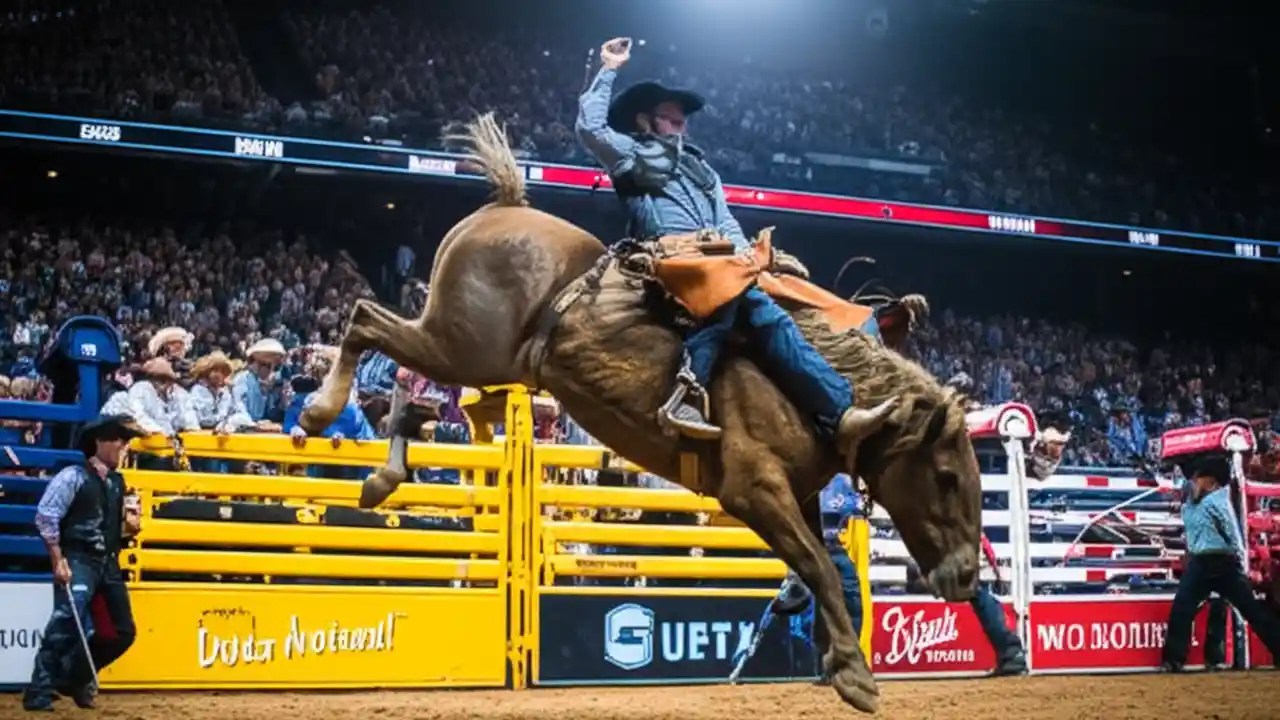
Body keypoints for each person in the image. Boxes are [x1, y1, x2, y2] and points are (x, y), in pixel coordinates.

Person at [575, 36, 895, 456]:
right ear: (644, 121)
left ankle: (837, 411)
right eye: (671, 120)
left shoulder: (703, 170)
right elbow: (589, 128)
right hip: (666, 259)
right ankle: (700, 392)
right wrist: (609, 68)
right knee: (745, 299)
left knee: (770, 314)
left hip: (721, 263)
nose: (680, 127)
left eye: (682, 121)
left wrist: (751, 260)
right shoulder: (628, 153)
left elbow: (725, 221)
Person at [23, 415, 144, 711]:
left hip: (106, 561)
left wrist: (131, 525)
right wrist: (58, 559)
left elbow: (116, 526)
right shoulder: (73, 476)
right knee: (67, 618)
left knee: (121, 632)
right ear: (100, 442)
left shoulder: (117, 481)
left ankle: (73, 675)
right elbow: (46, 516)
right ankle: (40, 687)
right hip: (78, 557)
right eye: (119, 439)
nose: (125, 446)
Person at [1161, 456, 1280, 671]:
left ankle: (1174, 659)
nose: (1194, 481)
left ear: (1211, 481)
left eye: (1199, 478)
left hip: (1222, 560)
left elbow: (1232, 532)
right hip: (1203, 561)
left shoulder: (1216, 500)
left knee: (1250, 610)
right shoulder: (1192, 502)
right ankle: (1172, 660)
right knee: (1183, 608)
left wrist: (1241, 560)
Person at [768, 473, 864, 683]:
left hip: (830, 547)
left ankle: (842, 667)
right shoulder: (807, 481)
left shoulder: (839, 481)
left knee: (849, 603)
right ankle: (830, 668)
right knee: (835, 606)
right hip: (813, 549)